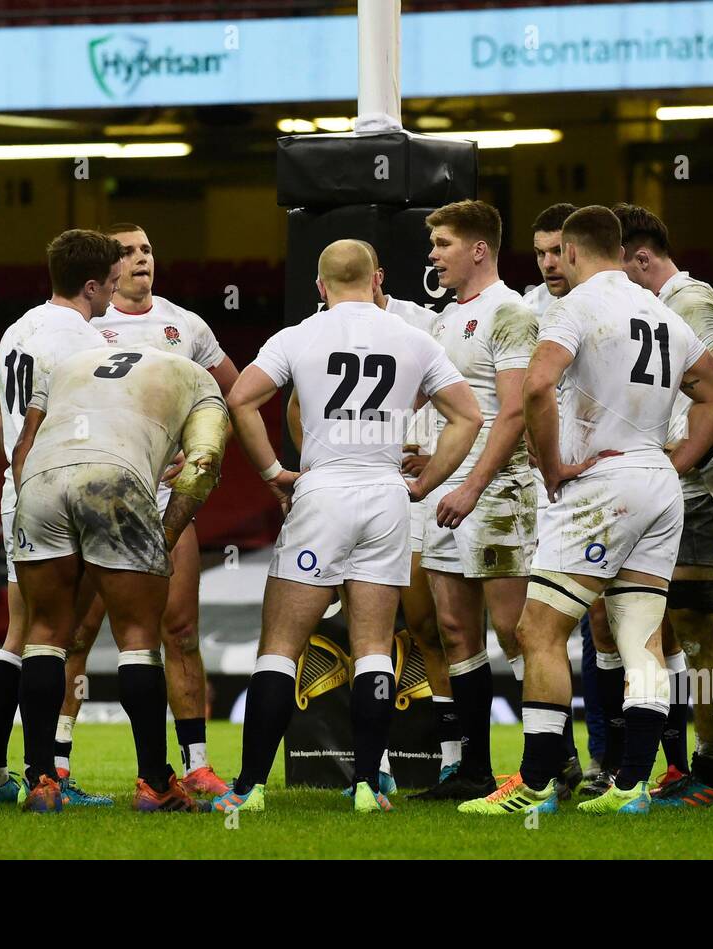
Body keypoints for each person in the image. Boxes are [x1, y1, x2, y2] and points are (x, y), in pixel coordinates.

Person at [458, 205, 713, 816]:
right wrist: (682, 457)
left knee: (539, 630)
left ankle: (533, 784)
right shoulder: (663, 314)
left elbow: (535, 386)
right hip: (658, 484)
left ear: (576, 252)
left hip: (601, 482)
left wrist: (552, 465)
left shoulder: (576, 308)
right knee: (642, 638)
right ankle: (632, 783)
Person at [213, 239, 482, 814]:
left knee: (280, 650)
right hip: (387, 496)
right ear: (377, 280)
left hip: (323, 490)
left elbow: (240, 398)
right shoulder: (414, 339)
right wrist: (427, 482)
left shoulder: (299, 336)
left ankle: (250, 789)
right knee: (374, 651)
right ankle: (365, 786)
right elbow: (470, 415)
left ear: (320, 287)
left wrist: (271, 472)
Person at [55, 223, 241, 800]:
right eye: (128, 252)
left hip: (162, 497)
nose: (141, 259)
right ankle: (58, 767)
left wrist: (195, 446)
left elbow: (234, 395)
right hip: (94, 493)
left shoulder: (185, 326)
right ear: (106, 270)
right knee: (77, 636)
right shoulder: (77, 327)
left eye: (148, 249)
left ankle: (196, 765)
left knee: (180, 630)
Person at [10, 340, 229, 813]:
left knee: (45, 634)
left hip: (40, 480)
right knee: (136, 637)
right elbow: (203, 463)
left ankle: (41, 780)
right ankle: (154, 782)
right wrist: (163, 538)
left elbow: (23, 446)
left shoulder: (67, 360)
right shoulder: (198, 378)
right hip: (114, 478)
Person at [286, 244, 454, 793]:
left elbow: (460, 402)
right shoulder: (320, 326)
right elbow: (294, 408)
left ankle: (452, 756)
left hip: (408, 493)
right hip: (374, 491)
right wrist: (315, 462)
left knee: (430, 627)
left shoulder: (421, 323)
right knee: (366, 633)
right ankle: (373, 771)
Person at [0, 229, 120, 807]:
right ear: (90, 285)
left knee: (18, 631)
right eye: (108, 285)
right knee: (52, 635)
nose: (110, 296)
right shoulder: (86, 340)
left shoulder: (16, 330)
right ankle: (45, 778)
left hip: (17, 488)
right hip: (63, 491)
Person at [612, 203, 713, 808]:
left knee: (699, 631)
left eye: (617, 270)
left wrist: (686, 457)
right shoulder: (657, 309)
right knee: (663, 626)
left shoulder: (689, 302)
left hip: (701, 492)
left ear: (642, 260)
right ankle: (679, 765)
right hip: (675, 489)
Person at [411, 200, 539, 802]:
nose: (433, 254)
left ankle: (549, 763)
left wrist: (471, 485)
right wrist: (433, 467)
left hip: (498, 491)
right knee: (457, 631)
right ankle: (474, 770)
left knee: (515, 632)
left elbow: (514, 411)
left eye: (442, 243)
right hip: (448, 494)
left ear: (478, 249)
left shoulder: (511, 313)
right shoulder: (441, 320)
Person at [521, 201, 595, 795]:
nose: (548, 263)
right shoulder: (530, 309)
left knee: (616, 627)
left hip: (603, 482)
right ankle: (568, 761)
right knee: (548, 629)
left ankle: (622, 764)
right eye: (539, 252)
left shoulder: (598, 306)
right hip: (551, 492)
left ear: (575, 249)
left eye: (556, 251)